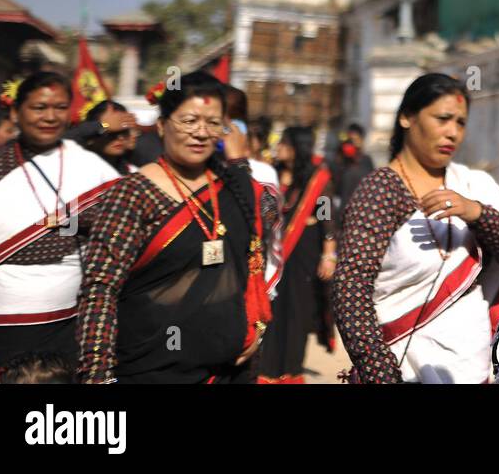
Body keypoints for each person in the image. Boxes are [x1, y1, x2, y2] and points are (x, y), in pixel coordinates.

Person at [75, 72, 276, 383]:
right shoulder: (133, 193)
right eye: (189, 120)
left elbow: (253, 260)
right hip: (154, 371)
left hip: (229, 371)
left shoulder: (230, 187)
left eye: (212, 123)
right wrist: (97, 375)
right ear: (161, 125)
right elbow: (100, 288)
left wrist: (256, 328)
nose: (201, 133)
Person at [333, 74, 499, 383]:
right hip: (401, 369)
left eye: (461, 123)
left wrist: (476, 213)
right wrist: (381, 373)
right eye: (442, 119)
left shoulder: (471, 184)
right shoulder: (381, 190)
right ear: (407, 118)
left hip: (470, 367)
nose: (452, 133)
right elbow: (351, 288)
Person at [0, 72, 121, 368]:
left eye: (60, 107)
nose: (50, 117)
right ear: (16, 112)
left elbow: (122, 226)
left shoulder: (91, 166)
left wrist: (76, 222)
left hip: (72, 316)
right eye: (39, 108)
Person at [258, 127, 335, 382]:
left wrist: (328, 254)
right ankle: (266, 370)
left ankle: (290, 371)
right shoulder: (272, 174)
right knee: (271, 309)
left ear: (296, 147)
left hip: (304, 256)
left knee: (296, 313)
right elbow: (266, 213)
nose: (278, 147)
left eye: (283, 143)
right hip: (274, 254)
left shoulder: (317, 179)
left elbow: (326, 218)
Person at [71, 99, 141, 174]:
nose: (119, 138)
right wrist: (105, 125)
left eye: (123, 132)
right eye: (112, 132)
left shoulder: (134, 173)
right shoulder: (75, 167)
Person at [329, 122, 374, 228]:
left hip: (361, 219)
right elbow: (324, 196)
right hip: (338, 220)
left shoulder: (366, 161)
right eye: (349, 140)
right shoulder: (337, 162)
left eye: (355, 140)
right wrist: (325, 228)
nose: (351, 144)